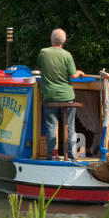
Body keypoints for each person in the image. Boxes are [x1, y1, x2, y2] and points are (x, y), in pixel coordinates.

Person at [36, 28, 85, 160]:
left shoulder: (43, 53)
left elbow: (40, 70)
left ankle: (51, 155)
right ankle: (72, 155)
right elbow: (73, 76)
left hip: (50, 96)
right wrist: (79, 72)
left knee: (51, 125)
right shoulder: (67, 55)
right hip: (67, 97)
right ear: (64, 41)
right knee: (70, 125)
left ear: (51, 39)